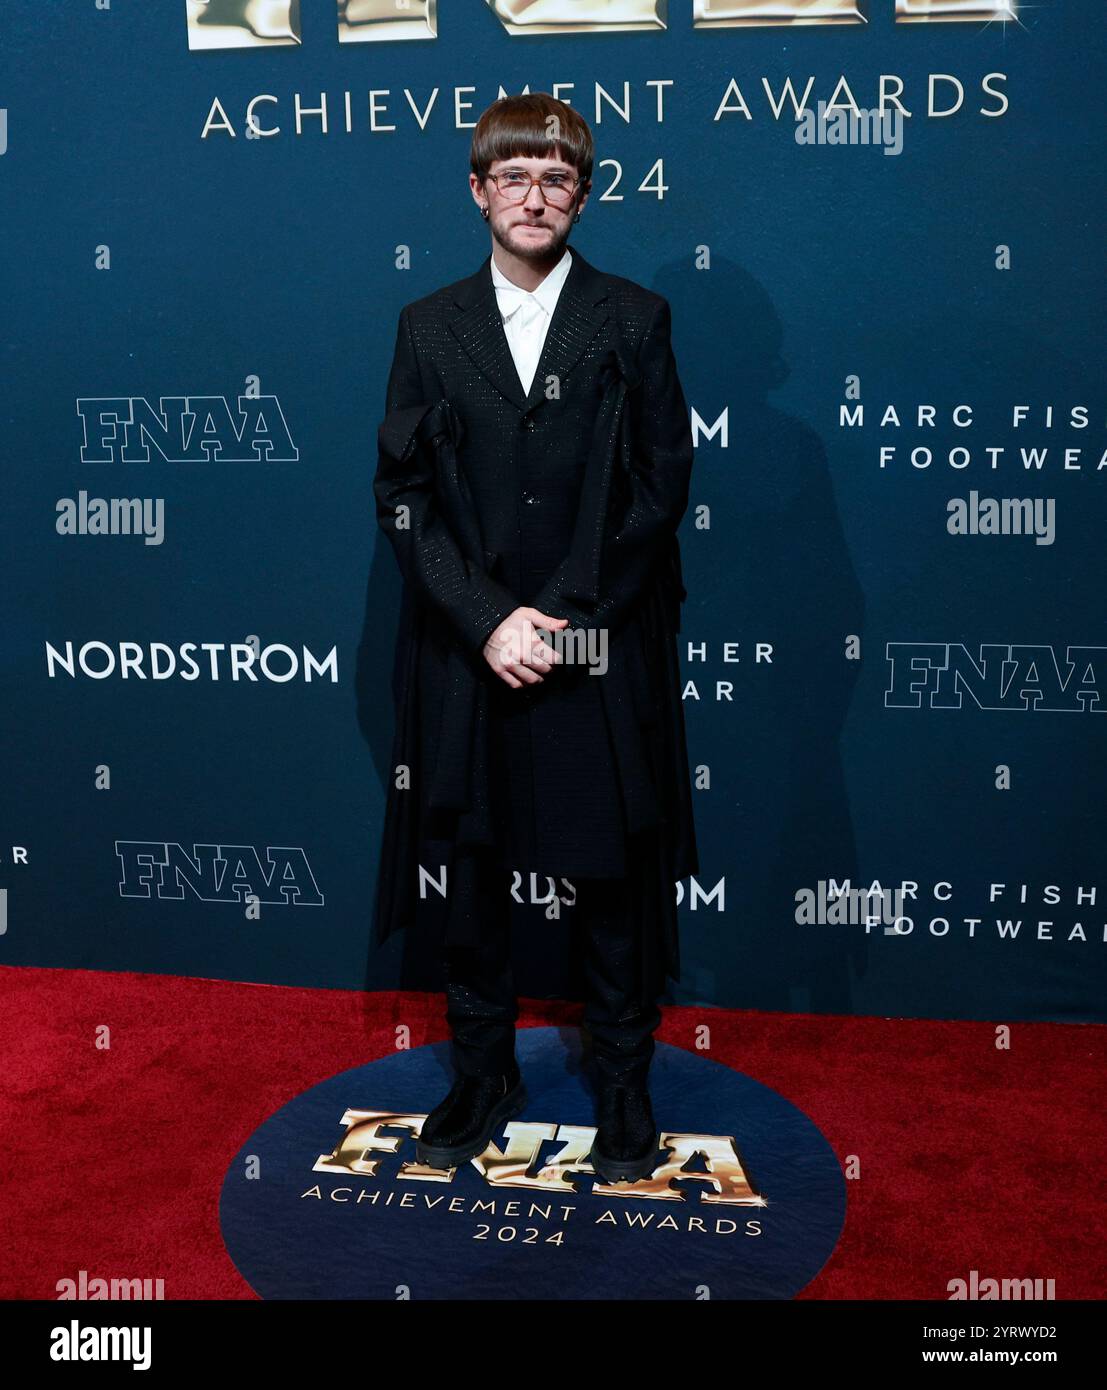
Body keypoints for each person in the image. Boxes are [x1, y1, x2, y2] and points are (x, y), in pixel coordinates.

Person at [373, 92, 697, 1184]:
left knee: (609, 877)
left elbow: (661, 490)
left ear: (582, 194)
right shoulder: (427, 326)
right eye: (512, 177)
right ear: (478, 191)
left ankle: (623, 1085)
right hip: (472, 650)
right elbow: (402, 495)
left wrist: (561, 616)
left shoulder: (634, 319)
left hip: (593, 642)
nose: (533, 197)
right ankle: (482, 1072)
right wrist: (485, 617)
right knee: (471, 874)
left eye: (556, 179)